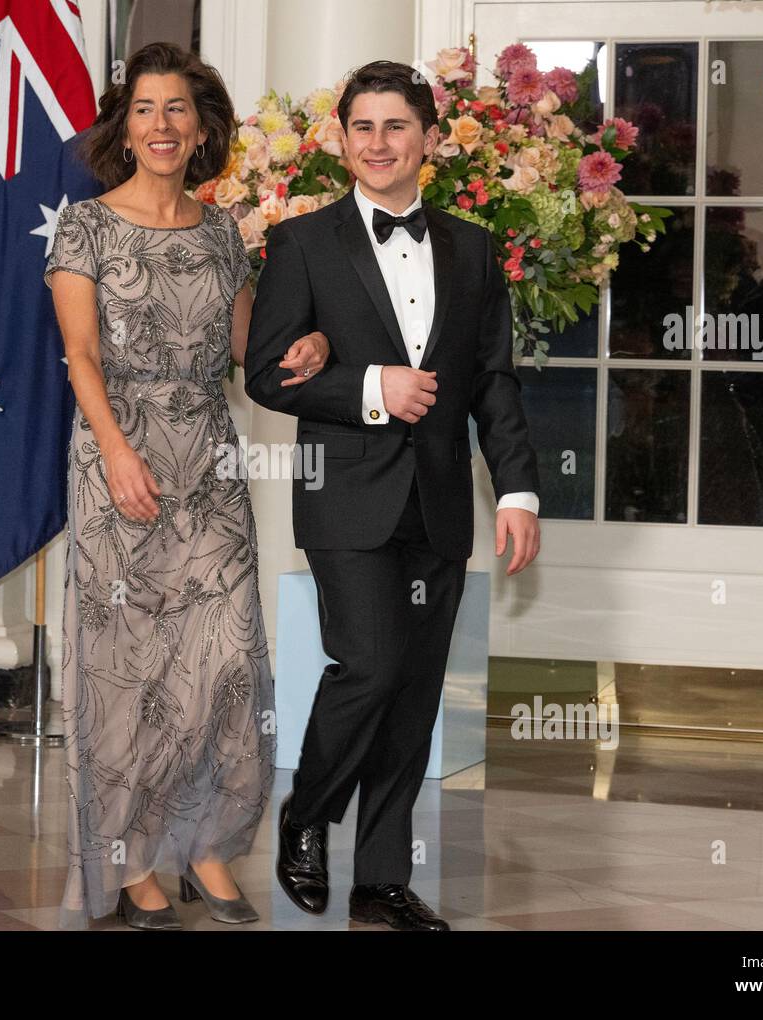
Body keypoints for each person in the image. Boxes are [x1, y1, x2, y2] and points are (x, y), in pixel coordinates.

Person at [244, 60, 542, 931]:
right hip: (345, 497)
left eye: (396, 127)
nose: (379, 143)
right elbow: (266, 373)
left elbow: (493, 379)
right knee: (368, 664)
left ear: (430, 141)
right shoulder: (301, 243)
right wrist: (372, 387)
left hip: (442, 500)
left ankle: (380, 878)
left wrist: (517, 489)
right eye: (363, 128)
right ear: (343, 141)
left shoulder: (474, 247)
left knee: (414, 690)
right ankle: (306, 818)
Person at [45, 42, 330, 930]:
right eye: (144, 108)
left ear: (202, 127)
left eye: (177, 109)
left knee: (226, 663)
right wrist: (118, 449)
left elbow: (248, 354)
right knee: (126, 674)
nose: (161, 125)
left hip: (209, 462)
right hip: (117, 462)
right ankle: (131, 863)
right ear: (123, 127)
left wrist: (306, 351)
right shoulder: (85, 226)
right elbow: (80, 355)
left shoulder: (218, 231)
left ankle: (205, 843)